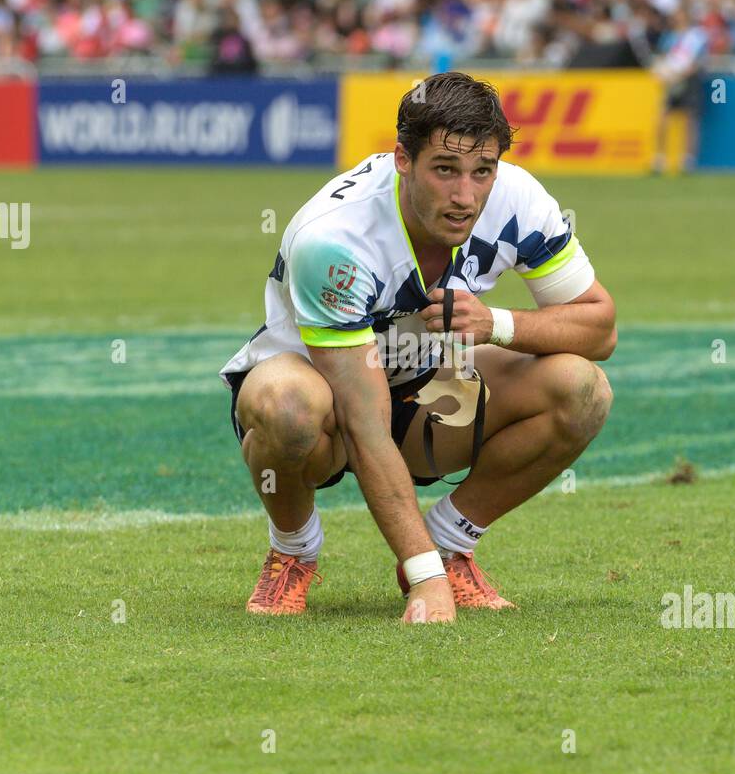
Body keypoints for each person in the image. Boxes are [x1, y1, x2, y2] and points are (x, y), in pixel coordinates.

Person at [218, 72, 616, 623]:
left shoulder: (519, 198)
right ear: (402, 158)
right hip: (324, 406)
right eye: (444, 170)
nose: (465, 195)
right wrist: (424, 584)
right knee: (289, 408)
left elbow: (600, 328)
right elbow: (364, 421)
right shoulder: (335, 241)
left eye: (483, 171)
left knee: (581, 387)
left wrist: (496, 323)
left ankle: (451, 543)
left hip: (426, 391)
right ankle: (293, 551)